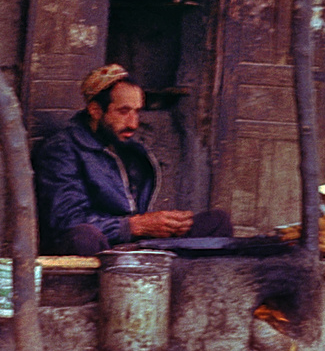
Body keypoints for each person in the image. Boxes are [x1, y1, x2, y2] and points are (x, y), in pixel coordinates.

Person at [33, 64, 233, 256]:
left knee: (217, 222)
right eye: (123, 111)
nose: (133, 123)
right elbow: (67, 221)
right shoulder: (63, 149)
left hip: (134, 243)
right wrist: (135, 225)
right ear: (95, 110)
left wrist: (161, 224)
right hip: (98, 245)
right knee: (84, 237)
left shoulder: (126, 147)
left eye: (137, 111)